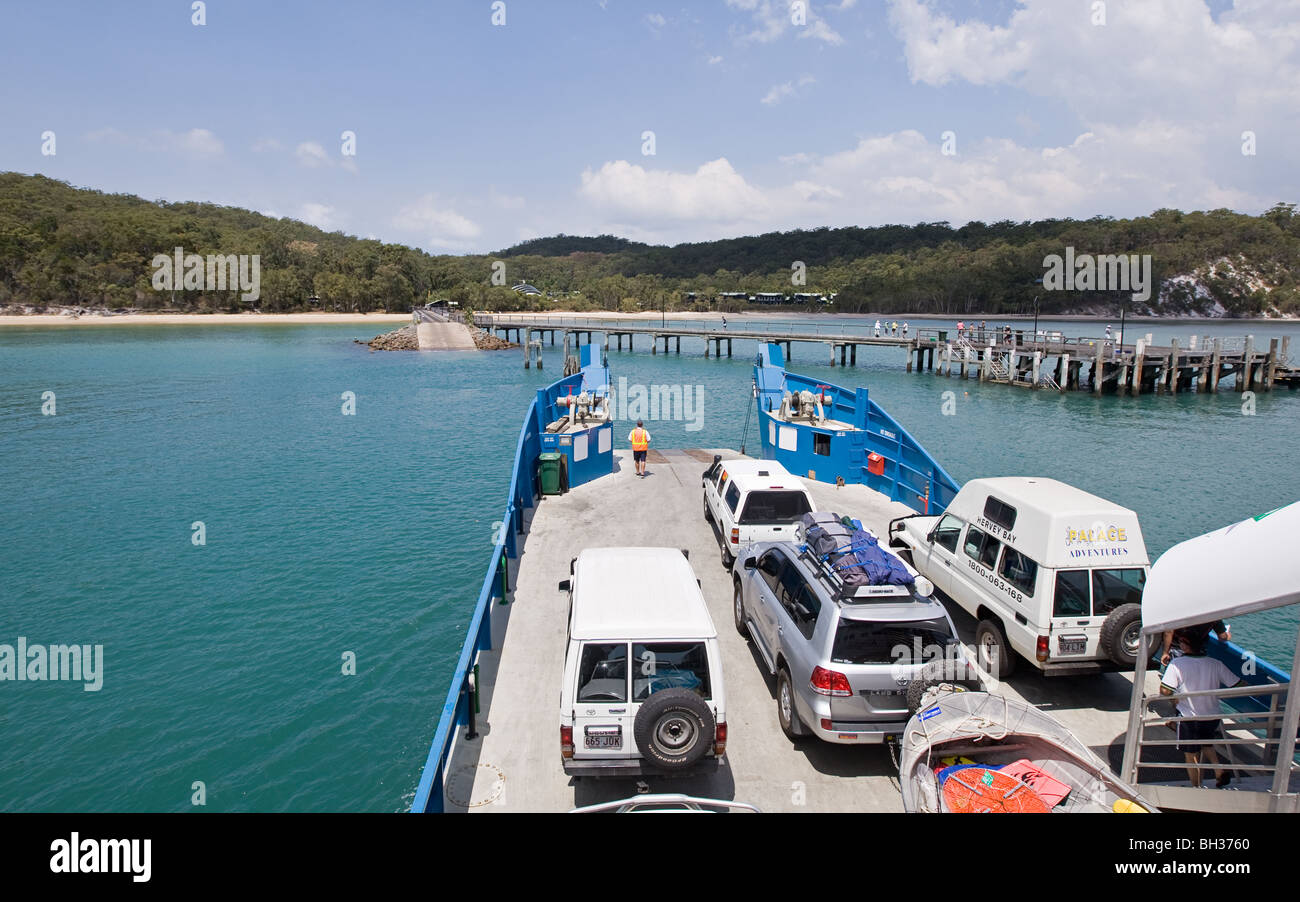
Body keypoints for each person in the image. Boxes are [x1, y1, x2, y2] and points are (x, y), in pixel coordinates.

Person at [1160, 629, 1241, 788]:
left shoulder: (1177, 664)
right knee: (1206, 743)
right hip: (1211, 716)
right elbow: (1236, 684)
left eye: (1181, 642)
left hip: (1189, 717)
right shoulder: (1215, 663)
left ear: (1185, 646)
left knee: (1191, 755)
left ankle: (1196, 788)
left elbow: (1165, 690)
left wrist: (1174, 697)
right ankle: (1218, 771)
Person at [1161, 621, 1230, 668]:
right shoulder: (1214, 616)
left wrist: (1165, 652)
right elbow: (1222, 637)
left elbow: (1169, 631)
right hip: (1198, 649)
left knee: (1175, 674)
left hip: (1178, 646)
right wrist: (1228, 635)